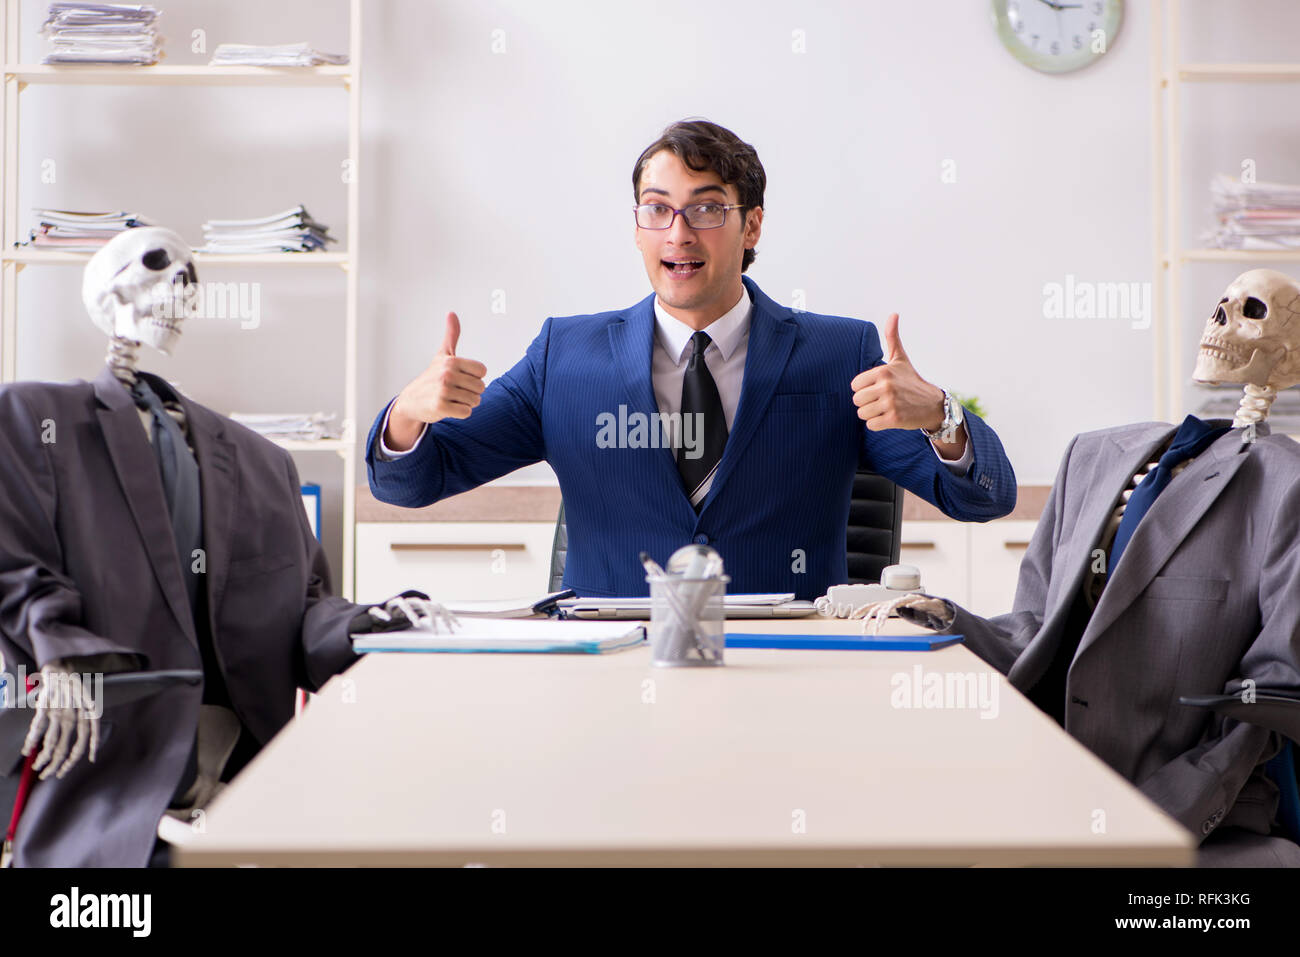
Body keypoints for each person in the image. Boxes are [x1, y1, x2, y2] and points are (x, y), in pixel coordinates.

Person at [367, 119, 1016, 599]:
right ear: (638, 225)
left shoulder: (837, 353)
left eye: (706, 208)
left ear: (751, 226)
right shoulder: (563, 357)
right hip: (611, 667)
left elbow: (983, 499)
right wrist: (407, 416)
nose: (678, 232)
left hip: (792, 675)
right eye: (657, 209)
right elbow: (411, 482)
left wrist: (941, 416)